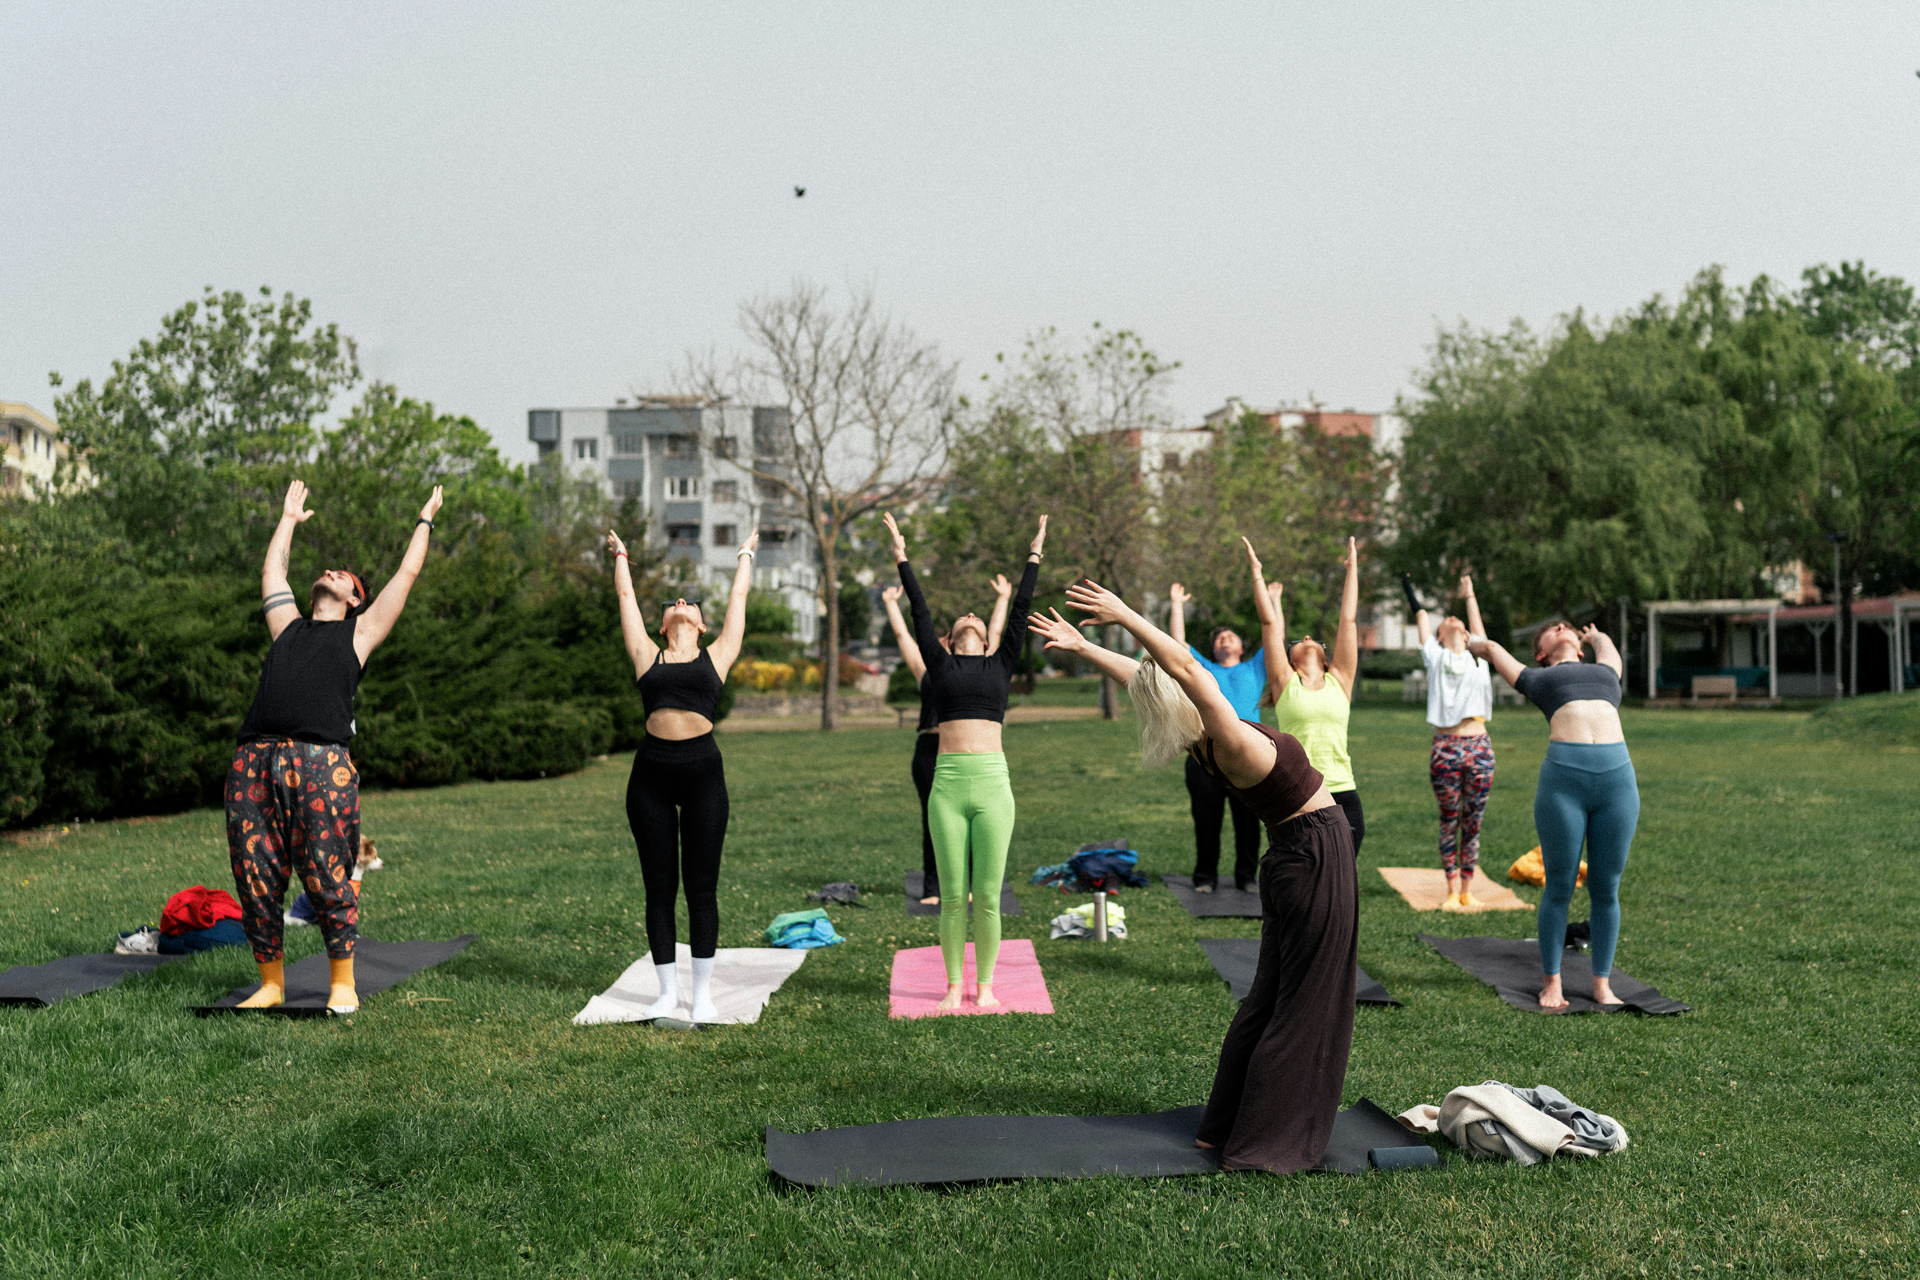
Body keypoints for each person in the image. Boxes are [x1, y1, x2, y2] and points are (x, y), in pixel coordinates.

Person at [1041, 538, 1354, 1174]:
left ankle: (1219, 1129)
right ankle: (1265, 1142)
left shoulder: (1200, 739)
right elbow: (1179, 667)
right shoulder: (1227, 735)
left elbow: (1149, 679)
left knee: (1267, 999)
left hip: (1292, 858)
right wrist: (1126, 616)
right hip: (1317, 853)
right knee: (1304, 1006)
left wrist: (1086, 648)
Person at [226, 479, 443, 1014]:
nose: (330, 571)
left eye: (342, 575)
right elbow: (272, 575)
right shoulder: (287, 627)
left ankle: (342, 982)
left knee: (328, 872)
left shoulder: (360, 633)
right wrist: (287, 520)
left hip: (322, 764)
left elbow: (406, 575)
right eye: (328, 571)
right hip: (255, 761)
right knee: (255, 874)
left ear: (354, 599)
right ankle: (271, 984)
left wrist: (424, 520)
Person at [884, 510, 1047, 1011]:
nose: (972, 615)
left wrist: (1035, 553)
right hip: (948, 786)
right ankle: (954, 986)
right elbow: (919, 610)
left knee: (989, 896)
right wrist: (902, 557)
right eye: (963, 619)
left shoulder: (1001, 661)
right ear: (952, 639)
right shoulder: (940, 664)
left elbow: (1020, 608)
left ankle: (987, 986)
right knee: (954, 897)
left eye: (977, 617)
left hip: (993, 784)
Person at [607, 526, 758, 1024]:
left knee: (701, 888)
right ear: (662, 624)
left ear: (702, 623)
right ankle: (667, 992)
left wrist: (745, 553)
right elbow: (625, 599)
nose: (680, 602)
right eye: (673, 602)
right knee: (659, 887)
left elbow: (739, 598)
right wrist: (622, 555)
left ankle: (703, 994)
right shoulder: (645, 654)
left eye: (689, 602)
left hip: (702, 777)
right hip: (650, 777)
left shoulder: (718, 655)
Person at [1469, 621, 1637, 1009]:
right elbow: (1492, 650)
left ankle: (1602, 984)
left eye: (1567, 627)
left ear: (1580, 648)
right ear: (1541, 654)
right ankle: (1552, 982)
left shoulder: (1605, 671)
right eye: (1552, 629)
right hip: (1564, 786)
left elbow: (1608, 648)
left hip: (1618, 786)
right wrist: (1469, 641)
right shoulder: (1538, 678)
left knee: (1606, 887)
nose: (1561, 627)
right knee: (1559, 885)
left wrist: (1594, 635)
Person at [880, 577, 1013, 906]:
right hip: (931, 752)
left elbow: (995, 634)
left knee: (977, 821)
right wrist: (891, 604)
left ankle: (970, 882)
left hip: (974, 755)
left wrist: (1003, 598)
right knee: (935, 821)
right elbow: (903, 636)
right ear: (948, 643)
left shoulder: (984, 666)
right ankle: (932, 887)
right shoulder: (929, 671)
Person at [1167, 583, 1268, 892]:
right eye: (1219, 637)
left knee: (1248, 822)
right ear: (1212, 650)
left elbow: (1273, 632)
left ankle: (1246, 878)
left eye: (1230, 636)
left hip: (1246, 755)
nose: (1225, 638)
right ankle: (1205, 877)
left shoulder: (1256, 667)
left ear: (1241, 648)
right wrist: (1177, 604)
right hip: (1206, 754)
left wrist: (1273, 600)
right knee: (1206, 821)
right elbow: (1177, 644)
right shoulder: (1204, 668)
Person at [1267, 537, 1365, 856]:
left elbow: (1347, 620)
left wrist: (1352, 569)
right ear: (1290, 660)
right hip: (1298, 791)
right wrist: (1267, 593)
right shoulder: (1285, 682)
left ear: (1326, 659)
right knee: (1303, 875)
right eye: (1298, 640)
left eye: (1314, 639)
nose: (1308, 637)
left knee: (1343, 875)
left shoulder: (1340, 680)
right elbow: (1270, 628)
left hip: (1342, 790)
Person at [1414, 574, 1496, 910]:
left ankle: (1467, 889)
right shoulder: (1435, 657)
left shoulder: (1479, 658)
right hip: (1446, 748)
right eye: (1446, 620)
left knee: (1472, 822)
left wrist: (1470, 595)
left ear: (1465, 635)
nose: (1452, 618)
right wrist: (1411, 592)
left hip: (1479, 747)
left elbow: (1480, 633)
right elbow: (1421, 618)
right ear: (1438, 636)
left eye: (1457, 620)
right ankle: (1451, 890)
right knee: (1449, 820)